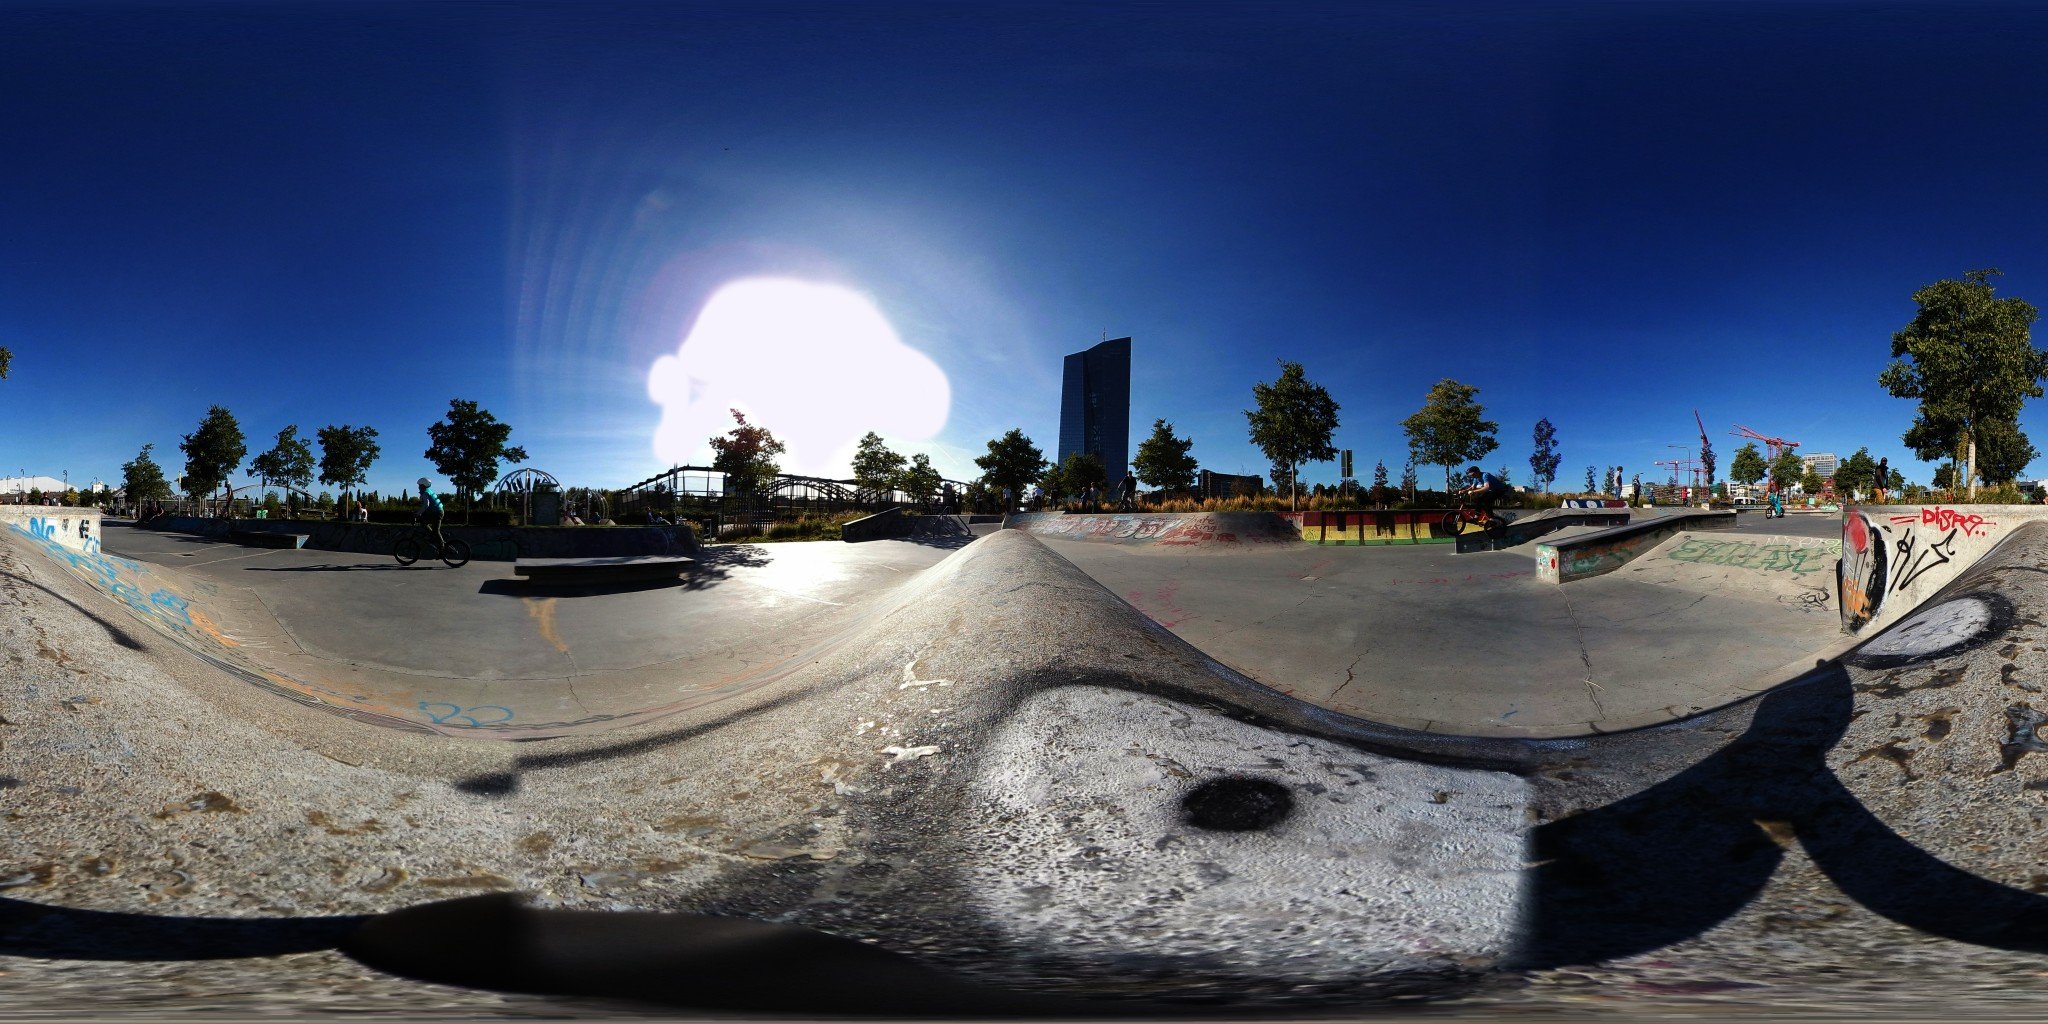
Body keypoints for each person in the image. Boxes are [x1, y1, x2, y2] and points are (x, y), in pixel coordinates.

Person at [414, 478, 446, 553]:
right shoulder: (429, 491)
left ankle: (442, 549)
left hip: (436, 513)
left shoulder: (425, 493)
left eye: (419, 485)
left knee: (436, 531)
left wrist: (417, 513)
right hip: (437, 512)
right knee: (423, 521)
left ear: (423, 485)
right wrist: (420, 512)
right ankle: (432, 536)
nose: (418, 487)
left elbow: (426, 505)